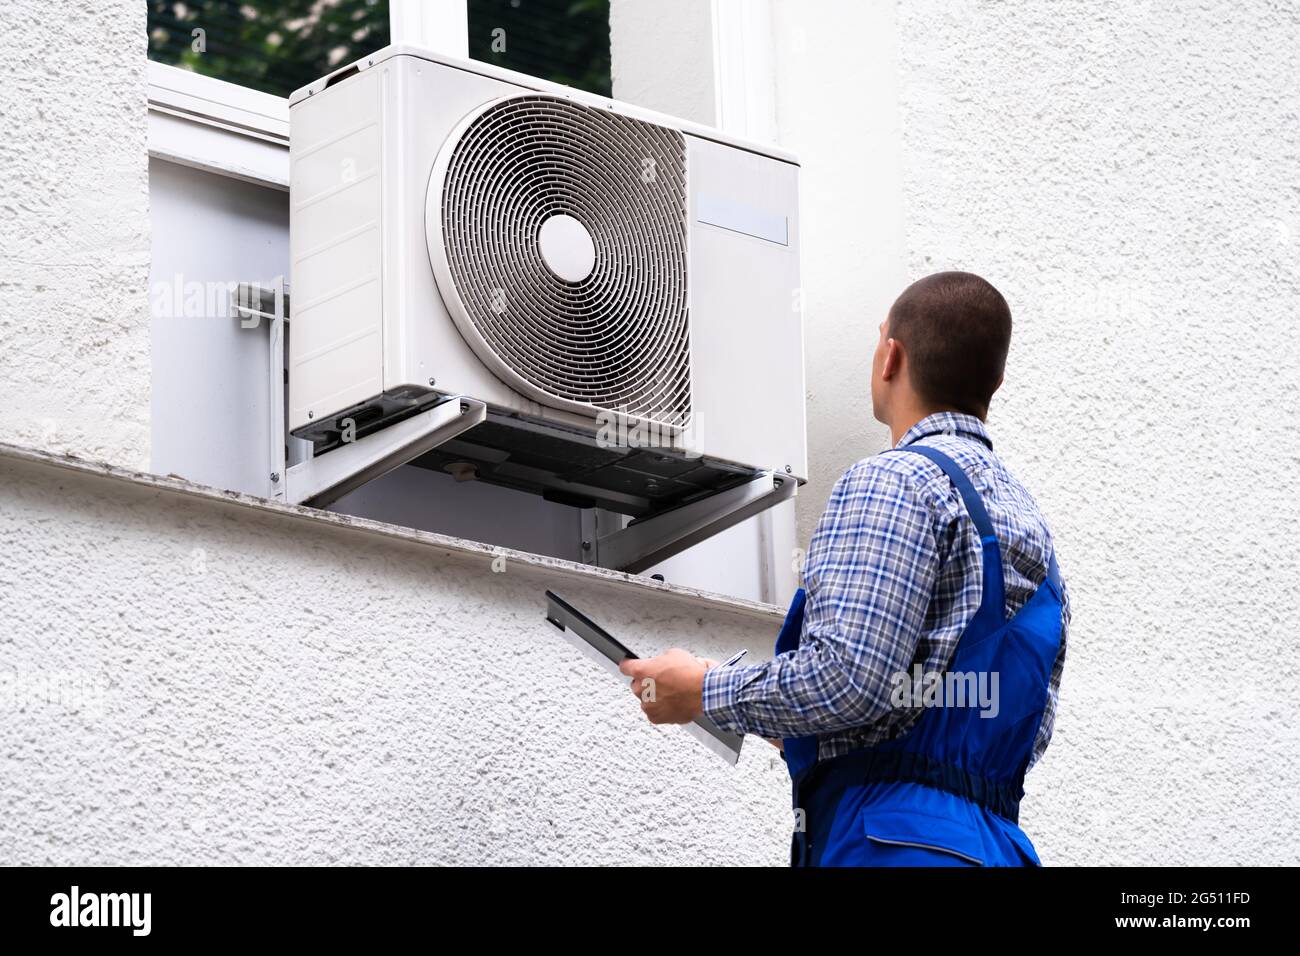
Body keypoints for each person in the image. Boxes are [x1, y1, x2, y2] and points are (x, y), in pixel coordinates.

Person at [620, 271, 1070, 866]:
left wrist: (702, 689)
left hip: (891, 847)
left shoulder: (894, 480)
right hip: (994, 849)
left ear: (891, 357)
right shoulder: (1031, 525)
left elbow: (851, 678)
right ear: (996, 381)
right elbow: (1007, 729)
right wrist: (814, 728)